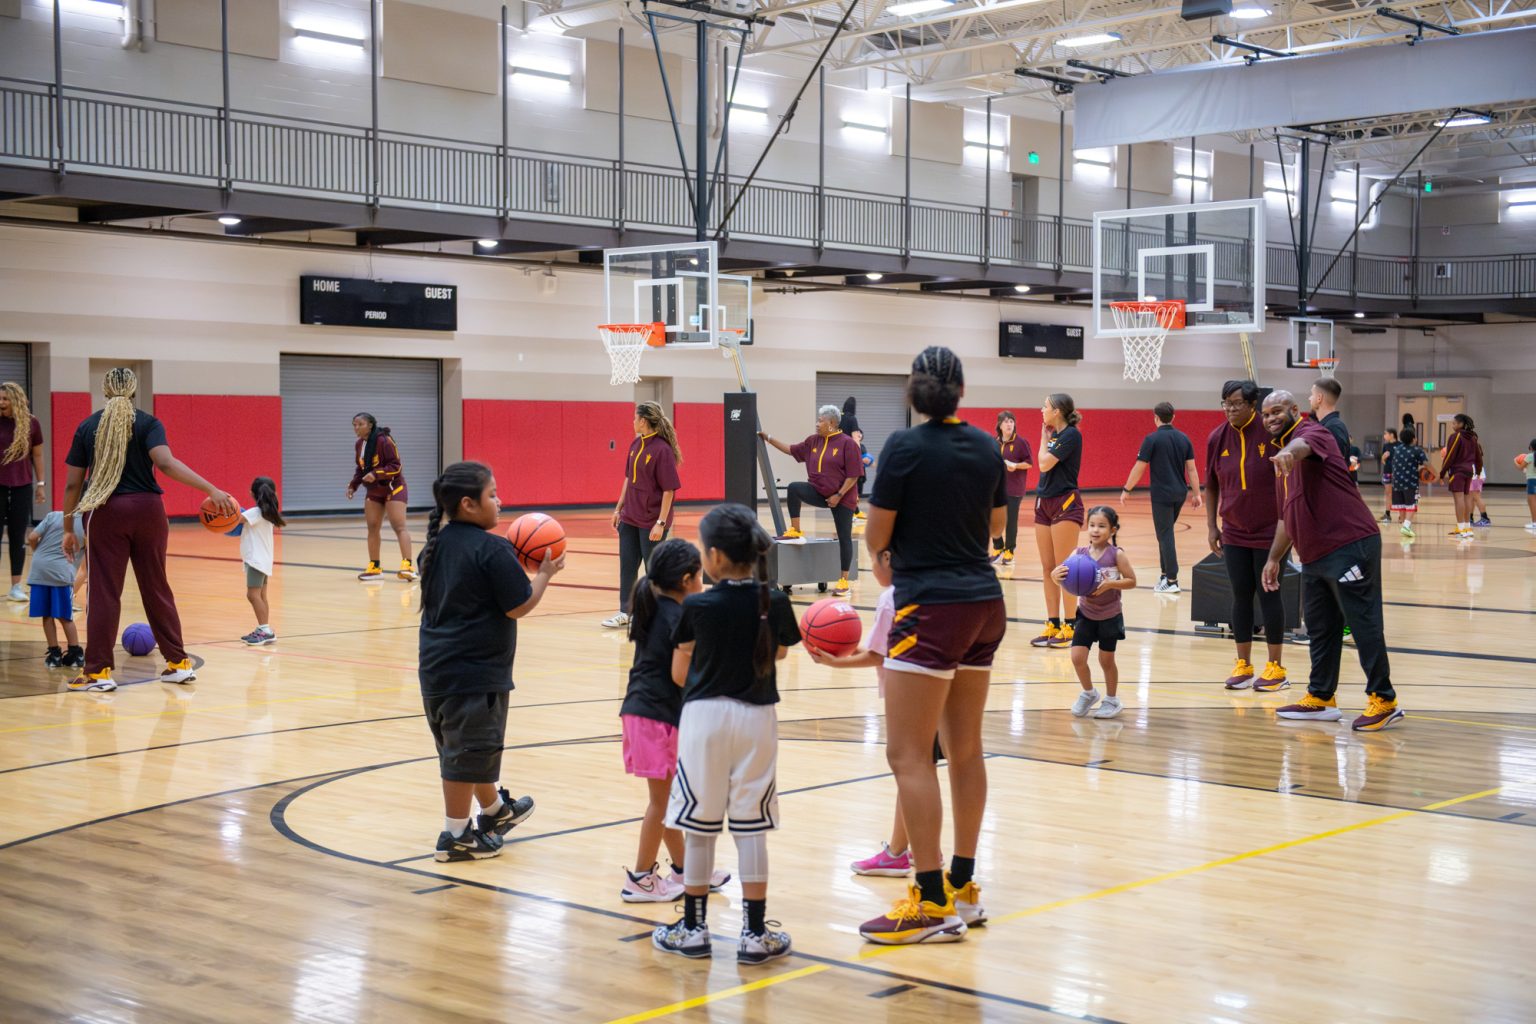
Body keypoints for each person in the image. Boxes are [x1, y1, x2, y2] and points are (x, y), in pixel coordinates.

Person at [857, 346, 1006, 946]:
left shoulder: (903, 447)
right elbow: (997, 529)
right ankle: (963, 886)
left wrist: (892, 555)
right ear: (961, 388)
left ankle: (930, 900)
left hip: (930, 606)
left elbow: (876, 535)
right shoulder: (986, 445)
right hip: (984, 602)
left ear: (912, 393)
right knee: (965, 750)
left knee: (909, 756)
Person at [652, 504, 800, 965]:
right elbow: (776, 655)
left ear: (713, 557)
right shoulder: (772, 600)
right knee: (752, 825)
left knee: (699, 825)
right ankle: (754, 935)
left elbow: (679, 675)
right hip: (758, 718)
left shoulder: (696, 605)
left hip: (704, 719)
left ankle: (694, 929)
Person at [61, 367, 237, 693]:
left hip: (106, 512)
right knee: (157, 587)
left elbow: (73, 484)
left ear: (104, 389)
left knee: (104, 593)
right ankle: (178, 663)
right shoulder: (148, 422)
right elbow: (166, 463)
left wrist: (68, 527)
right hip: (149, 512)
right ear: (133, 390)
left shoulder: (88, 426)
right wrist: (211, 489)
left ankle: (98, 672)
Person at [417, 461, 554, 862]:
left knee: (464, 749)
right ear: (468, 504)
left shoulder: (435, 545)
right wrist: (545, 574)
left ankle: (494, 813)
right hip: (475, 671)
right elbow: (518, 606)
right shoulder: (492, 548)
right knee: (466, 754)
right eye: (492, 494)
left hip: (436, 668)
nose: (500, 501)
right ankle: (455, 835)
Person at [1260, 392, 1403, 731]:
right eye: (1265, 415)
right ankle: (1321, 697)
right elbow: (1285, 517)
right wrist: (1273, 559)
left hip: (1350, 544)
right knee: (1321, 628)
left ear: (1296, 410)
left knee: (1363, 622)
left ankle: (1384, 699)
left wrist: (1287, 453)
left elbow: (1302, 448)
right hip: (1314, 555)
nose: (1270, 419)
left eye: (1277, 411)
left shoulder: (1313, 433)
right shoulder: (1284, 466)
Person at [805, 548, 936, 877]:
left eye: (871, 560)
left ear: (888, 559)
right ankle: (924, 850)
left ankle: (897, 853)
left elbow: (878, 656)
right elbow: (885, 647)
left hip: (907, 692)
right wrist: (850, 650)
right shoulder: (928, 585)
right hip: (935, 687)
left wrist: (839, 661)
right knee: (923, 770)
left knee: (910, 771)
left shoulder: (891, 597)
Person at [618, 537, 728, 902]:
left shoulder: (657, 606)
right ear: (686, 579)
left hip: (645, 713)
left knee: (667, 800)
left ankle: (686, 870)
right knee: (662, 804)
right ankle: (640, 878)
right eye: (700, 574)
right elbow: (683, 675)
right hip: (655, 716)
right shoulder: (677, 616)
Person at [1204, 380, 1288, 693]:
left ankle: (1276, 667)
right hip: (1234, 531)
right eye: (1225, 403)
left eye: (1237, 403)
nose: (1230, 409)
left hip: (1271, 532)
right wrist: (1212, 526)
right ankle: (1243, 665)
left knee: (1269, 595)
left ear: (1253, 405)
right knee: (1240, 596)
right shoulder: (1217, 438)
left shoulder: (1270, 434)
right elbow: (1211, 484)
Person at [759, 405, 862, 596]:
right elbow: (790, 450)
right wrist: (768, 438)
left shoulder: (847, 444)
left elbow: (854, 475)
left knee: (844, 537)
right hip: (818, 491)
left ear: (831, 423)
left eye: (820, 420)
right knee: (794, 488)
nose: (817, 424)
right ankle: (796, 530)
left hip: (842, 496)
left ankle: (843, 581)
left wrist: (838, 495)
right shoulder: (813, 441)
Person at [603, 402, 682, 630]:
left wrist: (660, 523)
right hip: (630, 517)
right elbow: (628, 479)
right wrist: (618, 508)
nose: (632, 422)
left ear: (644, 421)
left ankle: (658, 614)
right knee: (627, 566)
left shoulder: (662, 450)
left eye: (635, 418)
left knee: (653, 570)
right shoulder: (636, 444)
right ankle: (625, 612)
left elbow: (669, 490)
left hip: (652, 520)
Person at [1054, 506, 1136, 720]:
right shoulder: (1077, 554)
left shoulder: (1116, 555)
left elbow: (1132, 581)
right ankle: (1089, 693)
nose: (1095, 530)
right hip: (1086, 614)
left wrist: (1111, 584)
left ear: (1113, 530)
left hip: (1110, 615)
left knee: (1106, 661)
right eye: (1092, 525)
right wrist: (1055, 576)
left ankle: (1111, 699)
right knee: (1077, 657)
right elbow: (1064, 578)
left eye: (1101, 526)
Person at [1120, 402, 1201, 594]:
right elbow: (1192, 469)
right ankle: (1165, 574)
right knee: (1164, 534)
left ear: (1156, 417)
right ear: (1173, 417)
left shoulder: (1151, 439)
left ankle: (1172, 580)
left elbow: (1139, 467)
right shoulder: (1184, 438)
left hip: (1162, 494)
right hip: (1180, 493)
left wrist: (1127, 489)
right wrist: (1197, 493)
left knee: (1165, 535)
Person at [1031, 393, 1084, 649]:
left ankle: (1070, 625)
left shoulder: (1071, 435)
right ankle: (1052, 623)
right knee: (1047, 567)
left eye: (1046, 406)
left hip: (1064, 503)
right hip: (1043, 502)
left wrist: (1042, 440)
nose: (1042, 409)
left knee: (1064, 568)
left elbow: (1042, 464)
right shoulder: (1056, 437)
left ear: (1058, 411)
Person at [347, 412, 416, 581]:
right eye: (354, 425)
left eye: (359, 424)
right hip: (374, 490)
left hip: (394, 487)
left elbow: (396, 466)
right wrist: (353, 485)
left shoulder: (384, 440)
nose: (356, 428)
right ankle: (375, 567)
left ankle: (408, 566)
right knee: (372, 527)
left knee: (399, 526)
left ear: (370, 425)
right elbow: (361, 469)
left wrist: (377, 473)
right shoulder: (359, 445)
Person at [0, 381, 45, 603]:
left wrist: (41, 484)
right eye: (0, 399)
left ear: (16, 400)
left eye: (6, 399)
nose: (1, 403)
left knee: (18, 536)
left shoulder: (31, 424)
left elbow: (37, 456)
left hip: (22, 486)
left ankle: (16, 586)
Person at [26, 509, 84, 669]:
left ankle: (54, 654)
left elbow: (31, 537)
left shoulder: (54, 515)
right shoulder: (87, 523)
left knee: (47, 614)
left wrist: (38, 552)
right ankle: (75, 654)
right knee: (65, 616)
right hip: (61, 572)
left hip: (39, 569)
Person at [233, 476, 284, 646]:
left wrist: (222, 508)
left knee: (252, 594)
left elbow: (233, 521)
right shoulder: (268, 512)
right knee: (262, 595)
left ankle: (265, 630)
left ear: (251, 493)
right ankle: (264, 629)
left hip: (256, 560)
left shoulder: (254, 513)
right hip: (264, 560)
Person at [990, 411, 1033, 567]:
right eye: (1006, 421)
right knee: (990, 518)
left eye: (1012, 421)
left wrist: (1016, 465)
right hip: (995, 488)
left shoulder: (1021, 442)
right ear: (1000, 425)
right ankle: (998, 546)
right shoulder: (995, 442)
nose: (1009, 424)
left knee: (1010, 521)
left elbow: (1029, 463)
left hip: (1014, 489)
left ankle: (1009, 551)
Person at [1440, 413, 1484, 540]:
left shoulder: (1456, 436)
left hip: (1458, 471)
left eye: (1454, 423)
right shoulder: (1473, 438)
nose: (1452, 425)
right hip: (1469, 471)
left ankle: (1460, 529)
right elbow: (1478, 456)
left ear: (1461, 424)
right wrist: (1479, 469)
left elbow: (1450, 456)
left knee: (1458, 499)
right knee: (1466, 499)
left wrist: (1442, 472)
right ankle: (1467, 527)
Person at [1385, 427, 1429, 537]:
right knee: (1411, 505)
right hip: (1410, 482)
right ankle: (1406, 526)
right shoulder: (1417, 450)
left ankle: (1405, 526)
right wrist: (1437, 475)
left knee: (1402, 505)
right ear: (1413, 439)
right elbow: (1426, 464)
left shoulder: (1397, 449)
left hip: (1397, 482)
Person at [1308, 377, 1350, 465]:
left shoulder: (1333, 427)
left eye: (1312, 394)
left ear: (1319, 398)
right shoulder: (1328, 425)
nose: (1309, 398)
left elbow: (1336, 466)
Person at [1378, 428, 1399, 522]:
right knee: (1388, 493)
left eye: (1385, 434)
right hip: (1387, 471)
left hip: (1397, 473)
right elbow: (1383, 461)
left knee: (1398, 493)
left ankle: (1401, 514)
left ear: (1392, 435)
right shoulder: (1385, 446)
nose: (1384, 436)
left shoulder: (1400, 445)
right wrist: (1383, 457)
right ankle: (1387, 514)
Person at [1519, 439, 1536, 532]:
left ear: (1531, 447)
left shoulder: (1529, 456)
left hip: (1532, 481)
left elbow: (1520, 467)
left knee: (1532, 503)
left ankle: (1534, 523)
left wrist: (1515, 461)